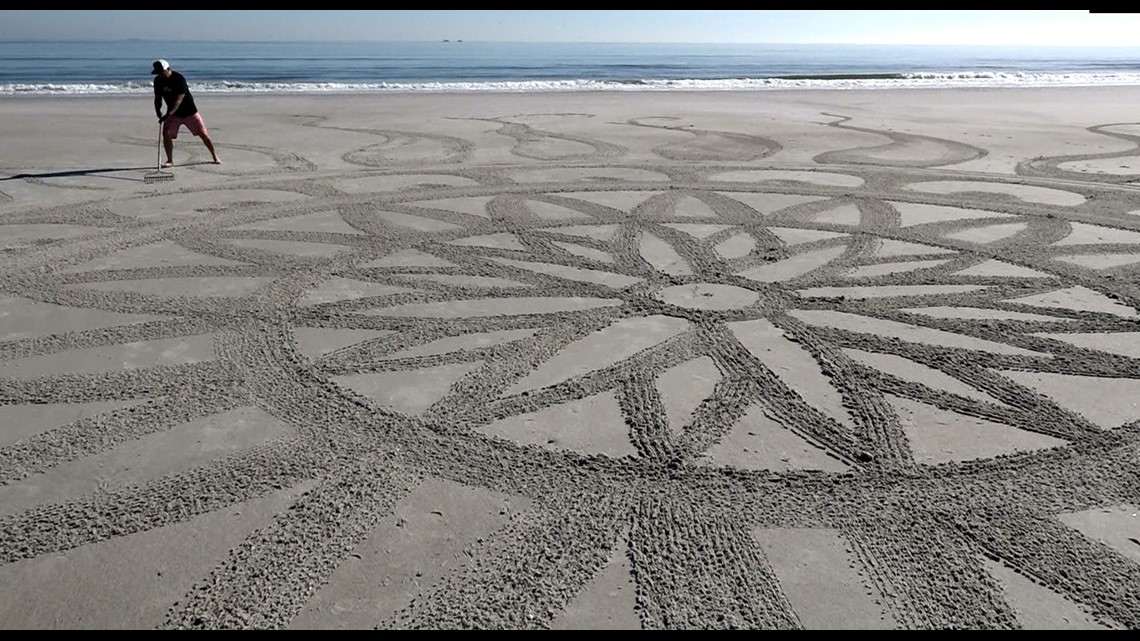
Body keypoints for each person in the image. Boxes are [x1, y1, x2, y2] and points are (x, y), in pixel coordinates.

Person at [151, 59, 220, 167]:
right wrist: (158, 110)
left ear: (168, 69)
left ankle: (215, 156)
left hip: (190, 112)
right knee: (166, 134)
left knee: (203, 134)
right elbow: (158, 97)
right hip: (174, 114)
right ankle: (170, 160)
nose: (160, 75)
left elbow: (178, 100)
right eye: (158, 73)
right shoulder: (158, 81)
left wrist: (168, 114)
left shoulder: (179, 79)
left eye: (162, 72)